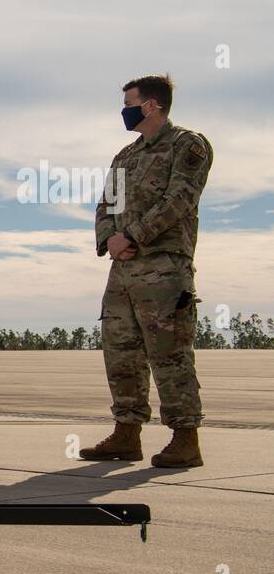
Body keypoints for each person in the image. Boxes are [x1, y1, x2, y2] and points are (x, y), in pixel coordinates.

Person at [80, 74, 213, 468]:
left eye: (129, 103)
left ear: (151, 105)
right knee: (121, 353)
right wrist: (109, 241)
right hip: (123, 272)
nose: (124, 111)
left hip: (164, 271)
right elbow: (105, 204)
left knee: (170, 355)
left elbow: (180, 201)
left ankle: (185, 438)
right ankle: (126, 434)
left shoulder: (188, 144)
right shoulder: (125, 156)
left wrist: (133, 235)